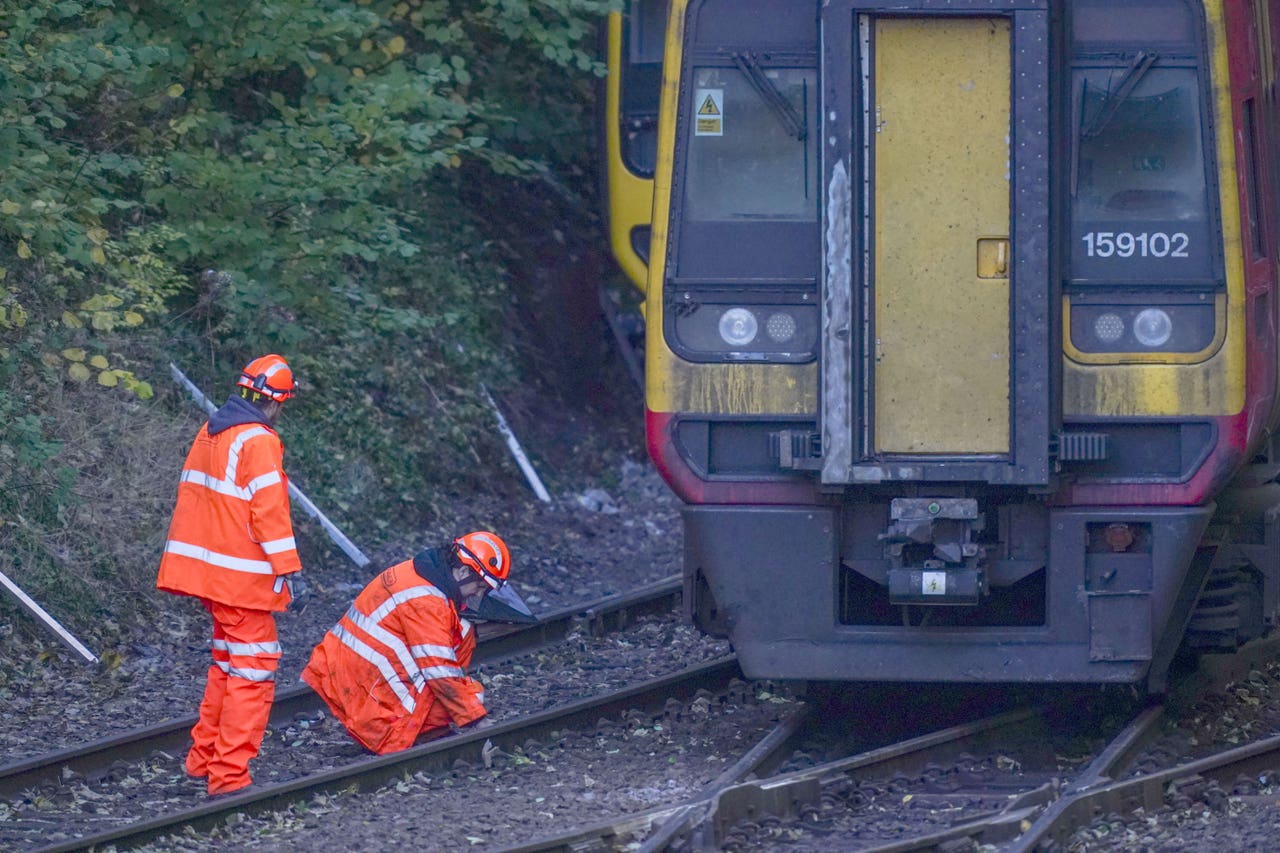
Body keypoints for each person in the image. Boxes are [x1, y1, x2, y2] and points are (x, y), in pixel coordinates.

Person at [156, 354, 302, 796]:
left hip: (209, 577)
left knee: (227, 663)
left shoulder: (212, 431)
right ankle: (229, 777)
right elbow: (269, 513)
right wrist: (290, 570)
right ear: (277, 403)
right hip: (240, 581)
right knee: (253, 669)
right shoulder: (258, 440)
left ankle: (203, 761)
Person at [301, 531, 536, 755]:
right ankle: (401, 731)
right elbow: (438, 668)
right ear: (464, 572)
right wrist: (476, 720)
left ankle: (422, 728)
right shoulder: (427, 601)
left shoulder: (425, 575)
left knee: (462, 634)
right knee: (467, 692)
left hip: (352, 674)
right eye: (479, 586)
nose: (477, 594)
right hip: (365, 688)